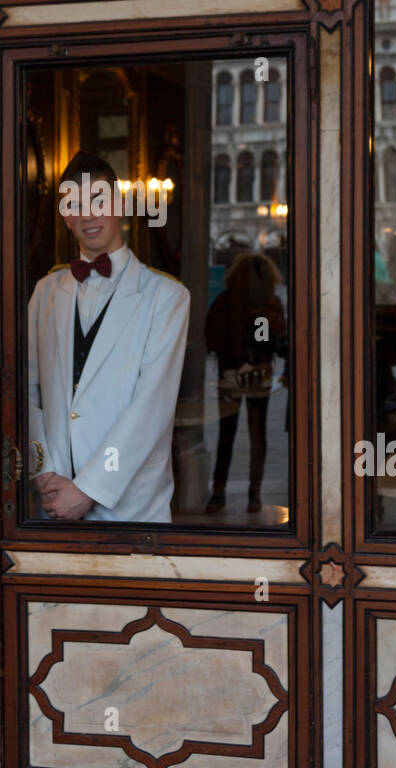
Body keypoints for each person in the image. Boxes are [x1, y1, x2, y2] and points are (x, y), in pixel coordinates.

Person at [28, 151, 190, 523]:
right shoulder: (45, 292)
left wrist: (87, 491)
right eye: (74, 204)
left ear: (119, 205)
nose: (87, 214)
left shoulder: (166, 296)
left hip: (132, 506)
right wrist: (45, 473)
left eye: (98, 201)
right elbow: (28, 391)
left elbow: (152, 407)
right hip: (54, 501)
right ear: (65, 216)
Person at [203, 251, 287, 514]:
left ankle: (218, 493)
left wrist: (233, 351)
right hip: (258, 373)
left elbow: (212, 336)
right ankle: (254, 495)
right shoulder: (268, 304)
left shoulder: (224, 302)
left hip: (229, 373)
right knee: (257, 435)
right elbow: (269, 340)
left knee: (226, 435)